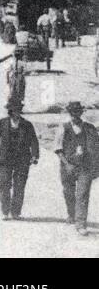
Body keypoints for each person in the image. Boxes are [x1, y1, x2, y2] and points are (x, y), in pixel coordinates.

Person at [0, 100, 39, 220]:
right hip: (4, 158)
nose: (16, 113)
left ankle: (16, 211)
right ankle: (5, 211)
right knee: (4, 184)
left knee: (19, 186)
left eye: (18, 110)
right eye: (13, 110)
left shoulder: (27, 125)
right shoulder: (2, 123)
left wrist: (34, 155)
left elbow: (34, 141)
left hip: (22, 159)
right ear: (10, 111)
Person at [56, 100, 99, 234]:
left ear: (81, 113)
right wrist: (67, 164)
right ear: (69, 114)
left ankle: (81, 224)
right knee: (69, 193)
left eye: (78, 112)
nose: (76, 115)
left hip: (85, 167)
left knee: (82, 195)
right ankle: (72, 214)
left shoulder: (90, 128)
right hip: (68, 166)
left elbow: (96, 148)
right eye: (73, 113)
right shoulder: (63, 127)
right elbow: (58, 149)